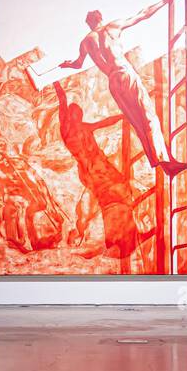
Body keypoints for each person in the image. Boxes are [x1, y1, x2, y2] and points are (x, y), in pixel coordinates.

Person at [57, 0, 187, 179]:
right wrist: (165, 1)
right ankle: (166, 162)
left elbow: (77, 64)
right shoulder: (113, 27)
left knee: (137, 122)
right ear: (101, 18)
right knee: (148, 116)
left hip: (113, 81)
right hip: (126, 73)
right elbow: (143, 14)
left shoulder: (86, 42)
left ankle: (161, 162)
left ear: (88, 23)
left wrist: (67, 64)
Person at [53, 81, 139, 259]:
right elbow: (62, 100)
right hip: (91, 169)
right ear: (70, 114)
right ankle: (115, 241)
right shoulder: (67, 128)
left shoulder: (85, 126)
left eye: (80, 112)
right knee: (112, 196)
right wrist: (55, 82)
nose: (79, 114)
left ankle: (120, 239)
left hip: (98, 165)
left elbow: (104, 122)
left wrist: (122, 116)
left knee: (118, 192)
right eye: (76, 112)